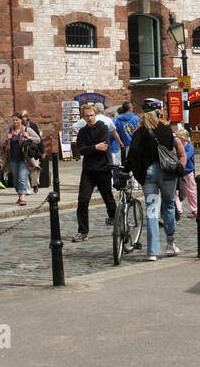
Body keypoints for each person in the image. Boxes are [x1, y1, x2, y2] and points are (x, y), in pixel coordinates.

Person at [127, 108, 183, 259]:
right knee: (169, 205)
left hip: (149, 173)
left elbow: (132, 154)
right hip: (167, 173)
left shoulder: (139, 133)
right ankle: (170, 244)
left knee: (152, 210)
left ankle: (152, 251)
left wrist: (128, 170)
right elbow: (172, 149)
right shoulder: (165, 129)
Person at [71, 103, 117, 241]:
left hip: (103, 168)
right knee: (83, 201)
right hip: (88, 170)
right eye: (87, 116)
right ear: (83, 118)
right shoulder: (83, 132)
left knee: (108, 199)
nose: (90, 118)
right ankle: (82, 231)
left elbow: (104, 146)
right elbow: (82, 149)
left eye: (92, 115)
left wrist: (92, 147)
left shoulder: (102, 128)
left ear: (95, 115)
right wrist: (95, 147)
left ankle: (115, 219)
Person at [3, 115, 41, 207]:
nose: (15, 122)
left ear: (20, 120)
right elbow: (3, 144)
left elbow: (38, 139)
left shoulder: (26, 130)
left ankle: (23, 197)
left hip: (24, 158)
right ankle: (20, 195)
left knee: (22, 177)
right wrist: (7, 139)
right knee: (16, 179)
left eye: (17, 120)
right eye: (13, 120)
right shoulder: (9, 131)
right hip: (12, 158)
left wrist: (29, 137)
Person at [176, 125, 198, 218]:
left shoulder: (189, 147)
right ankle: (178, 210)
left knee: (191, 191)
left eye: (179, 138)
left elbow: (185, 157)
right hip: (179, 172)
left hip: (188, 172)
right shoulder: (177, 147)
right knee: (176, 192)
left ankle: (195, 210)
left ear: (184, 139)